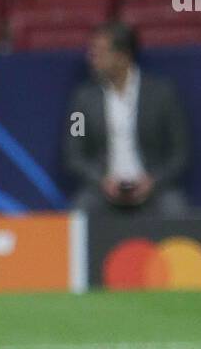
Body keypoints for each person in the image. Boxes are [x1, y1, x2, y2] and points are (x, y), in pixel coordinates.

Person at [63, 22, 189, 214]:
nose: (91, 58)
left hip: (153, 189)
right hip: (102, 190)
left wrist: (152, 181)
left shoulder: (163, 94)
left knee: (175, 208)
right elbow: (74, 154)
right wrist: (102, 181)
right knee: (80, 209)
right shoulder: (81, 101)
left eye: (100, 52)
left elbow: (180, 153)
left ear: (122, 56)